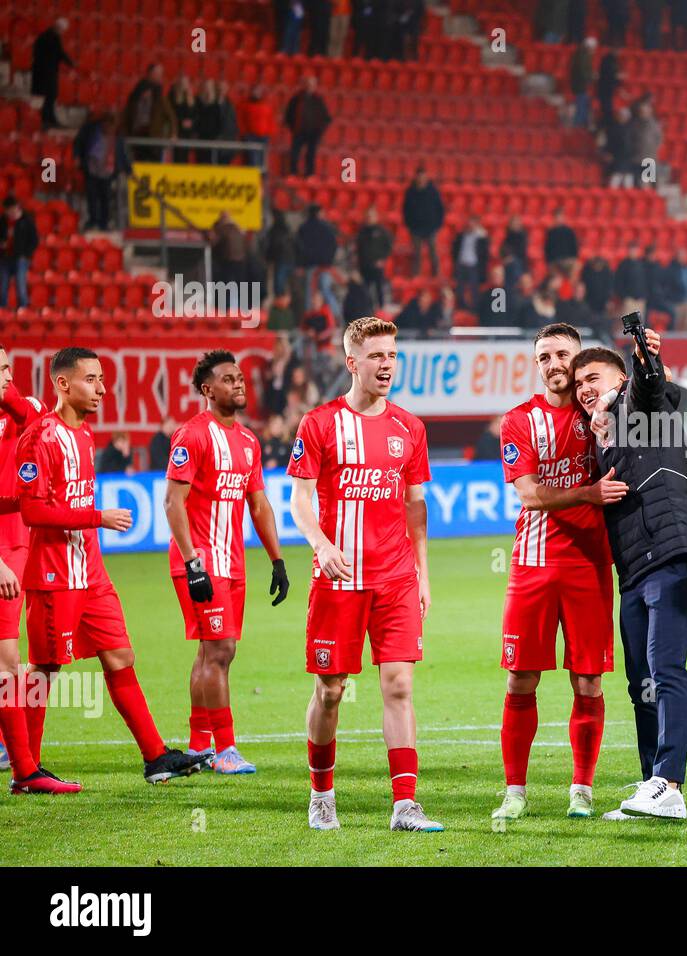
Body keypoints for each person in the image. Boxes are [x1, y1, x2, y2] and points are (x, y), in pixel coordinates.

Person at [18, 348, 208, 788]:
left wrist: (92, 525)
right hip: (54, 574)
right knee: (45, 668)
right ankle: (26, 768)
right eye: (91, 379)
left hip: (92, 574)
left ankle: (155, 756)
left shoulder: (85, 435)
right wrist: (97, 517)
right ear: (63, 383)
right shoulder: (40, 438)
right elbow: (33, 511)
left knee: (121, 656)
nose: (102, 389)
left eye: (102, 379)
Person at [288, 317, 442, 832]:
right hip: (338, 580)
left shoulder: (410, 428)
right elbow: (299, 499)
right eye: (377, 355)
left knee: (399, 686)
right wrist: (321, 544)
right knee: (330, 690)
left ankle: (405, 804)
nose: (387, 365)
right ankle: (321, 794)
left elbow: (415, 508)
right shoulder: (319, 424)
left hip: (395, 579)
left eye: (392, 355)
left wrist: (422, 574)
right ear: (351, 362)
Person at [570, 332, 687, 819]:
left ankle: (669, 782)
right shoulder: (604, 434)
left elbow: (653, 386)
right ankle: (653, 782)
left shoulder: (638, 408)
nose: (584, 388)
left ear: (618, 379)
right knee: (641, 681)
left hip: (672, 554)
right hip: (635, 569)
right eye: (578, 383)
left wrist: (645, 357)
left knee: (665, 668)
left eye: (593, 378)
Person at [491, 323, 625, 821]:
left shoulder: (604, 414)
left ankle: (582, 790)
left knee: (588, 683)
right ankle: (515, 791)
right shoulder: (519, 420)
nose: (554, 365)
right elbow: (529, 494)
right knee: (520, 679)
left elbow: (660, 398)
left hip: (590, 565)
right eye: (544, 356)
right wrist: (588, 493)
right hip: (532, 566)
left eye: (563, 355)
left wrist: (650, 358)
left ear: (579, 359)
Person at [164, 351, 288, 775]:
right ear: (207, 389)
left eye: (240, 378)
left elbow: (259, 504)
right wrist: (192, 562)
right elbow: (173, 502)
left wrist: (277, 560)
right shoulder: (192, 435)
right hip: (202, 561)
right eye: (228, 379)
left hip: (233, 563)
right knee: (221, 649)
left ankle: (199, 745)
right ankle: (225, 749)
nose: (238, 384)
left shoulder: (248, 440)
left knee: (211, 652)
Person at [0, 349, 79, 793]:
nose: (8, 375)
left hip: (16, 546)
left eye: (8, 367)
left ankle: (22, 763)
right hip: (3, 555)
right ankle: (24, 769)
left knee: (15, 662)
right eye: (0, 369)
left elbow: (22, 408)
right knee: (8, 664)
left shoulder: (27, 410)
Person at [284, 75, 331, 177]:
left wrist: (319, 130)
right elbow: (288, 115)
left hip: (313, 132)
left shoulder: (318, 100)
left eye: (312, 85)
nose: (309, 86)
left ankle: (310, 174)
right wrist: (293, 128)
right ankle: (293, 173)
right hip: (299, 131)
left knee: (311, 154)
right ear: (303, 85)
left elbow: (326, 118)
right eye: (308, 84)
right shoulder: (296, 99)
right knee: (295, 153)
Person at [402, 166, 445, 279]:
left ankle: (436, 273)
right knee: (416, 253)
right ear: (416, 177)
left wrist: (437, 224)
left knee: (433, 252)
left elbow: (440, 208)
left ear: (426, 177)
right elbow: (405, 209)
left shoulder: (433, 191)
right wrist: (409, 225)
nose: (421, 178)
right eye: (419, 176)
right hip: (415, 228)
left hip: (431, 228)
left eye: (423, 176)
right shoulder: (410, 191)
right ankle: (415, 274)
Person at [32, 18, 74, 130]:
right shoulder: (53, 37)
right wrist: (71, 63)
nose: (62, 32)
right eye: (62, 30)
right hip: (47, 72)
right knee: (50, 96)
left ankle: (48, 119)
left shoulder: (44, 36)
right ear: (58, 27)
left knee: (50, 96)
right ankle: (47, 120)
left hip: (43, 71)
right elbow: (60, 53)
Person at [0, 196, 38, 309]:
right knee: (3, 285)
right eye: (8, 210)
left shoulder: (27, 221)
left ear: (17, 207)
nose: (10, 212)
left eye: (12, 209)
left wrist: (25, 255)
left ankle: (23, 310)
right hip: (5, 257)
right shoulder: (2, 221)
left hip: (20, 258)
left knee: (21, 285)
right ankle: (2, 309)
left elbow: (34, 240)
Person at [355, 205, 393, 307]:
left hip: (377, 266)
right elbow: (359, 249)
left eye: (371, 215)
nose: (369, 218)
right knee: (365, 291)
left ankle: (381, 309)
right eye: (368, 215)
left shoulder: (382, 231)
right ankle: (367, 309)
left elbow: (388, 247)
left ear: (376, 217)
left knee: (378, 289)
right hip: (364, 266)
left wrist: (382, 259)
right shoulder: (362, 231)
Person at [451, 215, 489, 310]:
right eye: (469, 223)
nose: (470, 225)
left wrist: (481, 232)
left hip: (473, 266)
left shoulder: (481, 237)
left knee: (474, 289)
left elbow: (484, 252)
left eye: (473, 223)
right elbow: (455, 248)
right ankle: (461, 308)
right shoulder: (461, 235)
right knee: (460, 289)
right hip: (461, 264)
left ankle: (475, 309)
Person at [569, 36, 597, 129]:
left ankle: (581, 123)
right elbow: (583, 71)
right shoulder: (583, 56)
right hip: (580, 84)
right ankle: (579, 124)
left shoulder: (581, 54)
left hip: (580, 84)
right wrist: (591, 77)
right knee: (581, 104)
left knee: (583, 103)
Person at [614, 241, 648, 315]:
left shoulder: (641, 264)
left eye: (635, 250)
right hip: (629, 299)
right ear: (628, 251)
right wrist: (624, 297)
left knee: (639, 321)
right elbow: (618, 282)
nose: (634, 252)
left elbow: (645, 281)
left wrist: (644, 295)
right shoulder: (623, 265)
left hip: (640, 299)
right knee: (630, 321)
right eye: (632, 250)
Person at [544, 208, 579, 274]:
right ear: (554, 218)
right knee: (554, 271)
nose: (559, 219)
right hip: (556, 261)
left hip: (568, 260)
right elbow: (548, 249)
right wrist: (550, 261)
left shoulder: (569, 231)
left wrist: (573, 259)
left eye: (561, 217)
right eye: (558, 217)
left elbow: (574, 247)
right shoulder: (551, 233)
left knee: (576, 267)